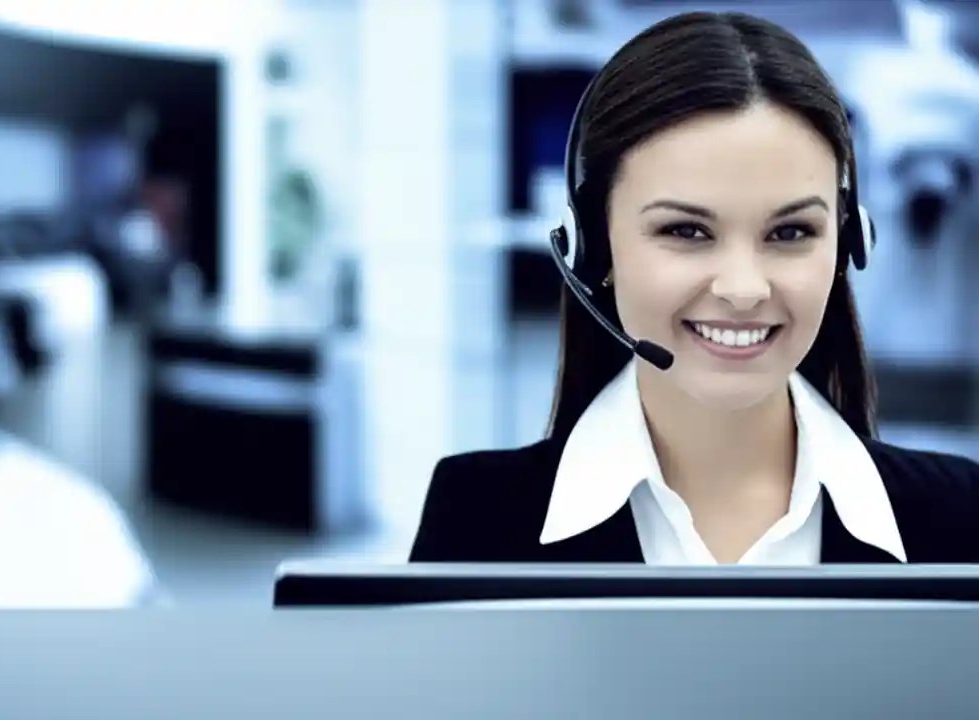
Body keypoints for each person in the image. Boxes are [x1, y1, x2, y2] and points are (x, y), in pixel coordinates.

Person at [410, 11, 979, 565]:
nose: (743, 288)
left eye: (790, 232)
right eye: (686, 230)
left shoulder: (954, 515)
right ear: (593, 248)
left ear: (848, 243)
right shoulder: (476, 518)